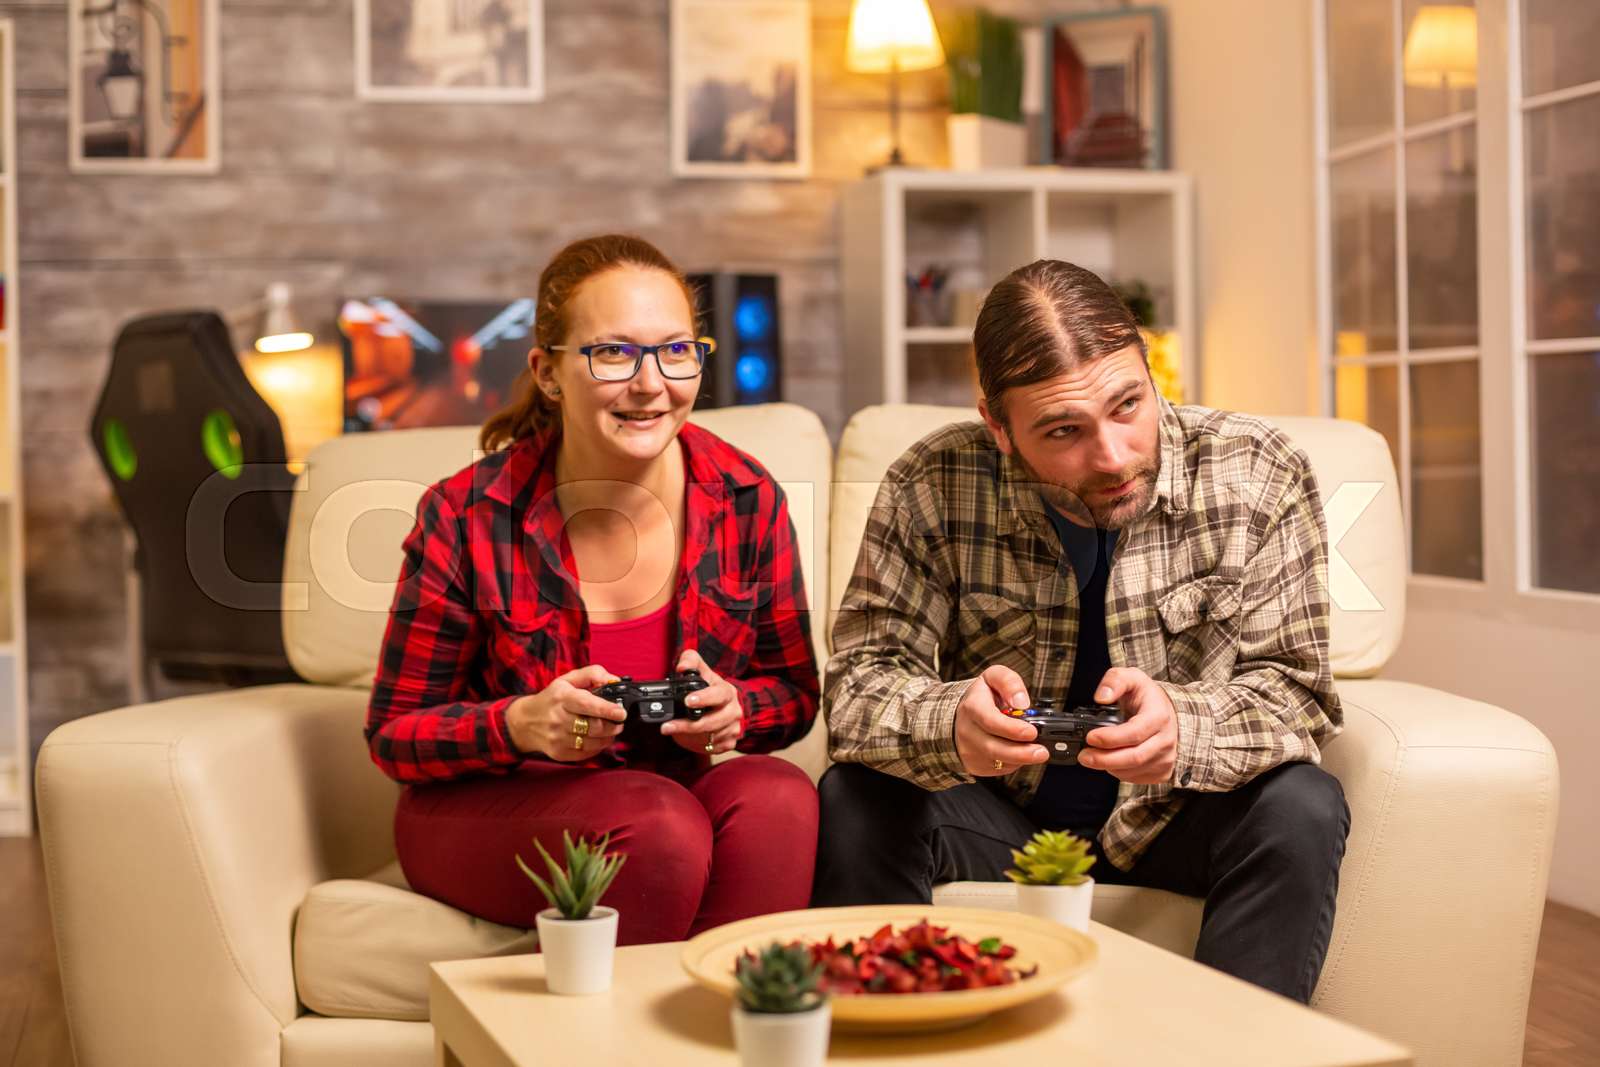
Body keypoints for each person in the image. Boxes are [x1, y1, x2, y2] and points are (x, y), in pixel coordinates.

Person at [814, 258, 1348, 1003]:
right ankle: (884, 1043)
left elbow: (1297, 695)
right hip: (1005, 821)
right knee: (857, 793)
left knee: (1304, 803)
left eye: (1129, 404)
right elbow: (859, 686)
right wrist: (949, 719)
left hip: (1179, 816)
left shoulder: (1258, 471)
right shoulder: (930, 483)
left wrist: (1182, 727)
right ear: (997, 427)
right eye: (1063, 430)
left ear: (1151, 373)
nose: (1113, 456)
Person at [367, 234, 821, 944]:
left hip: (665, 791)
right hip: (498, 801)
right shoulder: (466, 513)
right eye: (614, 353)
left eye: (676, 350)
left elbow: (794, 693)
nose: (651, 383)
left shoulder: (746, 495)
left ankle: (727, 1037)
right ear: (548, 373)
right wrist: (521, 722)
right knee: (658, 823)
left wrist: (736, 712)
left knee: (779, 798)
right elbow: (394, 735)